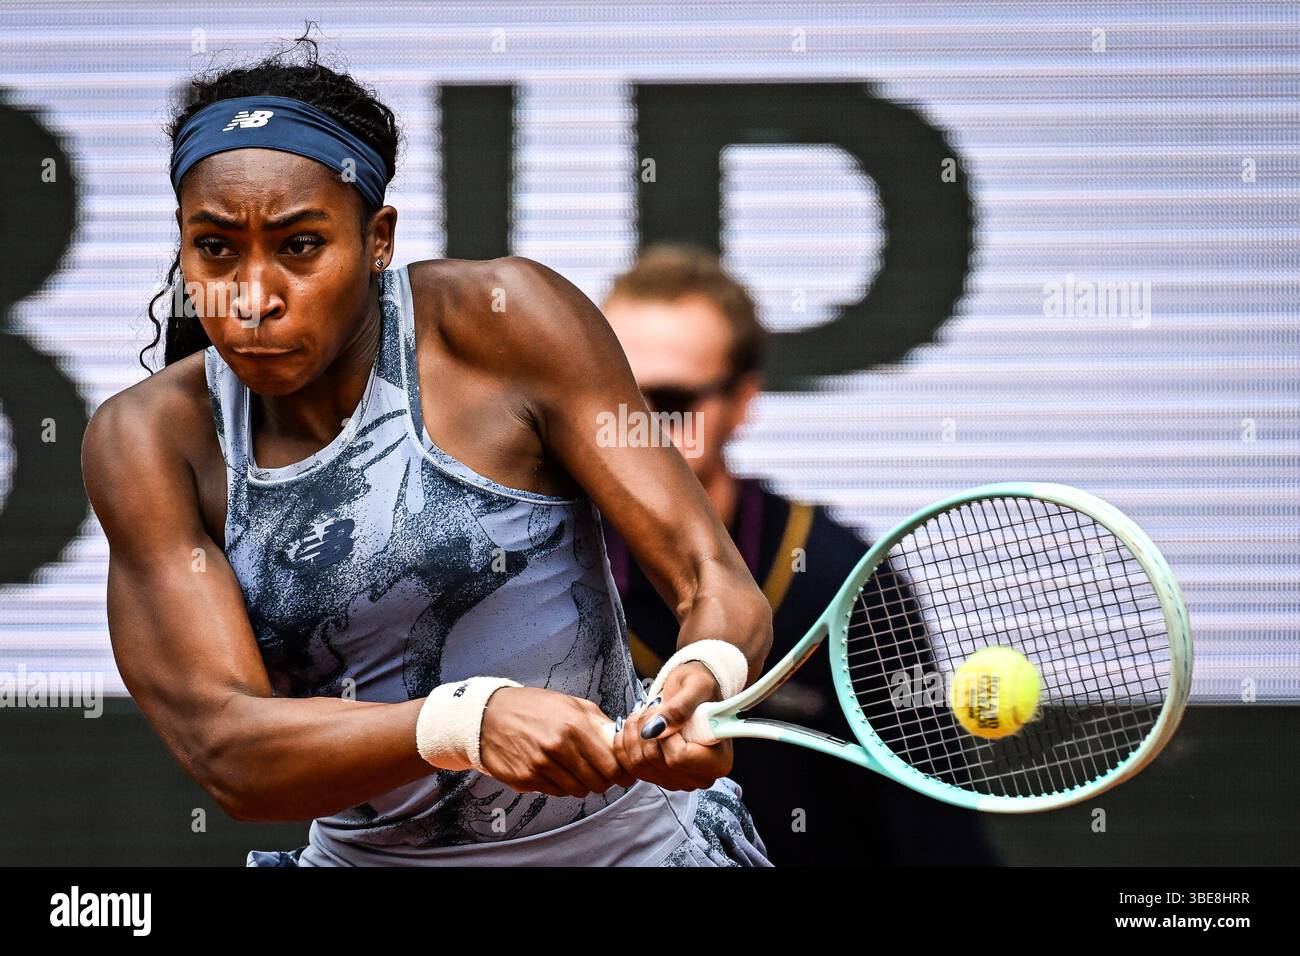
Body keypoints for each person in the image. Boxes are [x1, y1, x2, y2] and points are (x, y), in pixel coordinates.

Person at [80, 36, 774, 866]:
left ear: (378, 239)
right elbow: (230, 753)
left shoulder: (509, 320)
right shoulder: (146, 442)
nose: (253, 298)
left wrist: (702, 675)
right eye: (216, 248)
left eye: (301, 246)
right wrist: (467, 721)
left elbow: (710, 574)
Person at [600, 245, 998, 865]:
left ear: (743, 400)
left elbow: (932, 826)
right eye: (618, 398)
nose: (640, 427)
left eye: (673, 402)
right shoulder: (534, 566)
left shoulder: (843, 579)